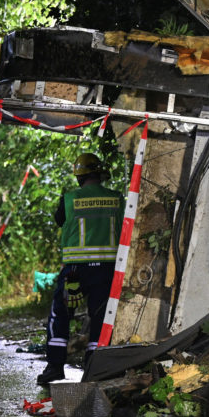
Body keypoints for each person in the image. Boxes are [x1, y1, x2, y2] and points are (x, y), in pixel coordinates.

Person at [37, 152, 124, 386]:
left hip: (75, 271)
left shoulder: (69, 199)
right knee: (100, 317)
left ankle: (55, 366)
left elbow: (59, 220)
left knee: (61, 313)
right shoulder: (117, 199)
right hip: (106, 271)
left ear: (79, 176)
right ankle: (93, 369)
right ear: (100, 174)